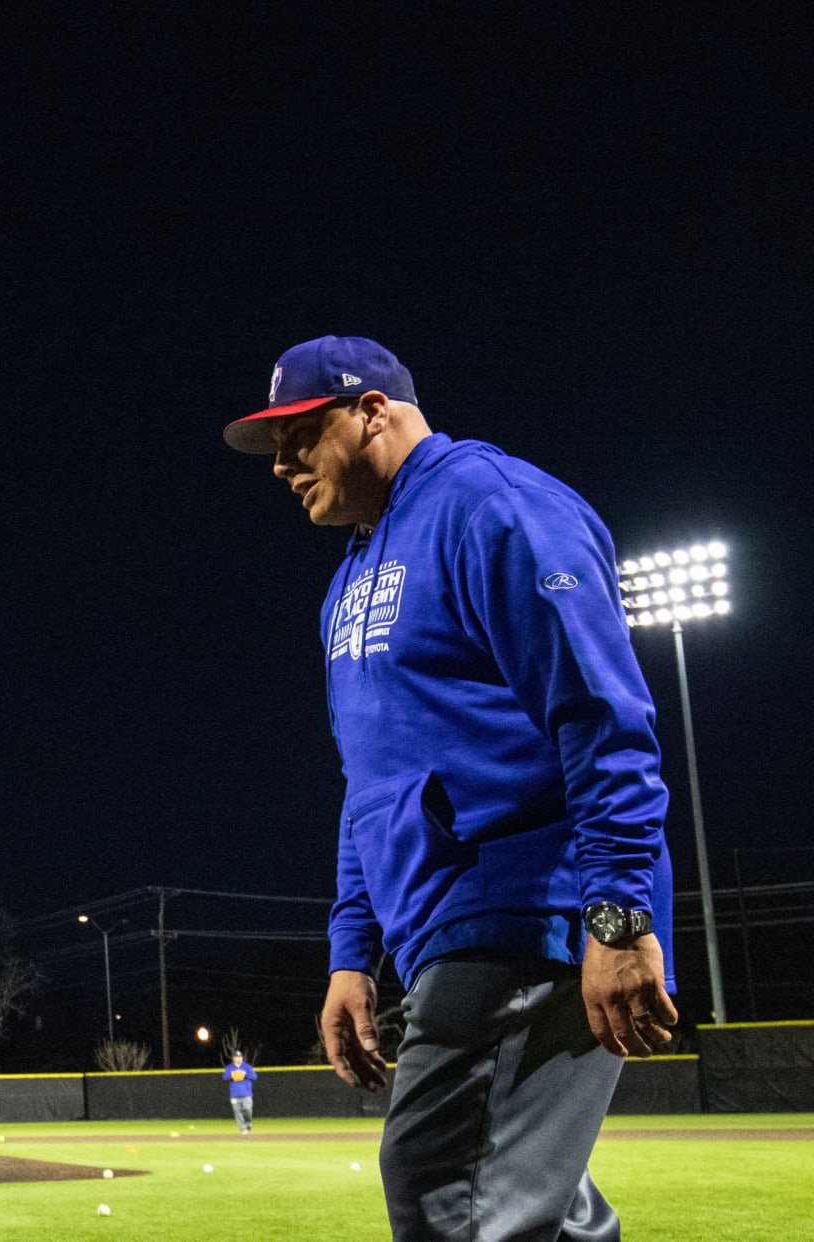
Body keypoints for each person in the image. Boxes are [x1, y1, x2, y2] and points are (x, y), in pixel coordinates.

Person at [225, 336, 677, 1241]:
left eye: (298, 435)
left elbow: (600, 712)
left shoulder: (491, 506)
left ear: (372, 412)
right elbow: (369, 780)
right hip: (441, 929)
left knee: (445, 1186)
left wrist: (620, 910)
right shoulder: (348, 579)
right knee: (542, 1209)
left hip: (529, 910)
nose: (280, 465)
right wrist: (352, 953)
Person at [222, 1050, 256, 1134]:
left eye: (240, 1057)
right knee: (237, 1112)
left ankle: (248, 1124)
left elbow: (254, 1076)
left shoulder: (247, 1067)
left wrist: (244, 1074)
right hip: (234, 1094)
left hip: (246, 1093)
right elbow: (225, 1077)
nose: (238, 1058)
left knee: (248, 1110)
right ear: (233, 1058)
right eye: (236, 1057)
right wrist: (233, 1075)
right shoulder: (230, 1067)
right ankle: (242, 1128)